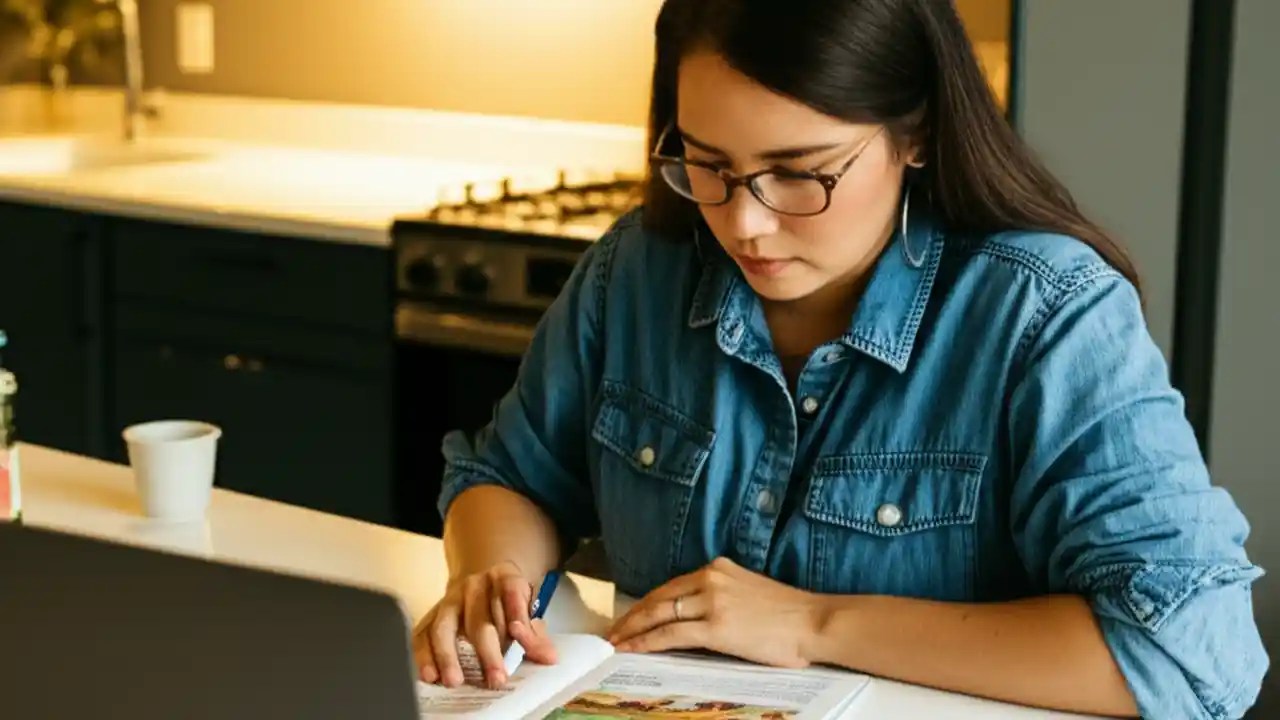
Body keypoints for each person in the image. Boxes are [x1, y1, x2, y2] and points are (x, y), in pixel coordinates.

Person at [412, 1, 1268, 717]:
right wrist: (495, 575)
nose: (743, 222)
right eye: (706, 165)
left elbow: (1192, 653)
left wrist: (813, 624)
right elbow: (514, 477)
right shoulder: (638, 268)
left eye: (800, 173)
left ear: (916, 134)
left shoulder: (1045, 313)